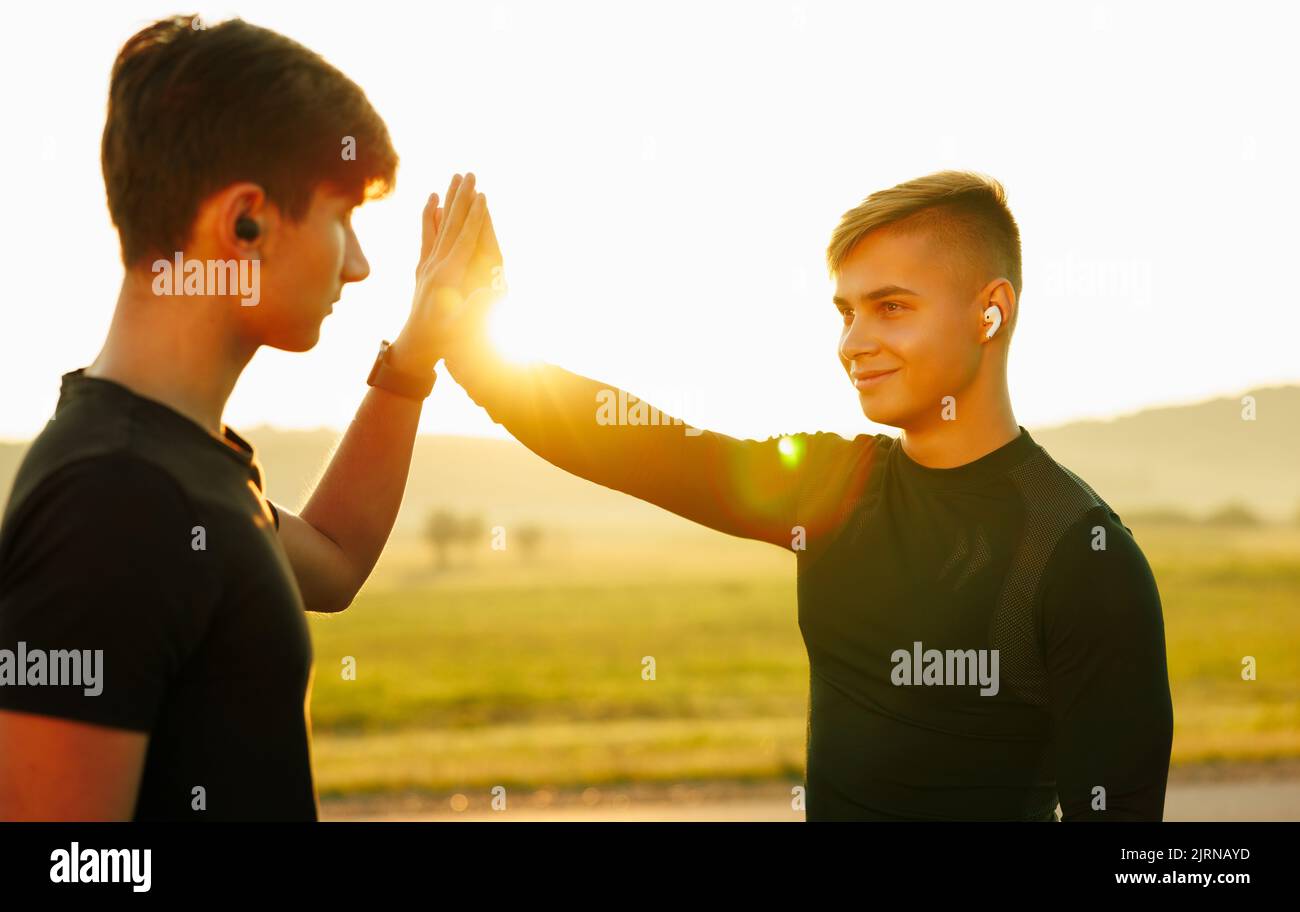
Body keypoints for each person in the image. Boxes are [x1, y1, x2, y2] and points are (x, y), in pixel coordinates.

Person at [440, 170, 1175, 821]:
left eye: (890, 308)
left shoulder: (1081, 555)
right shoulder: (833, 485)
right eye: (845, 311)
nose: (852, 343)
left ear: (991, 311)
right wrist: (474, 337)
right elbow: (640, 446)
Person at [0, 15, 498, 821]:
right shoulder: (113, 499)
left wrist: (415, 354)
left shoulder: (178, 465)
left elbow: (334, 561)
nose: (362, 264)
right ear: (245, 223)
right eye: (342, 218)